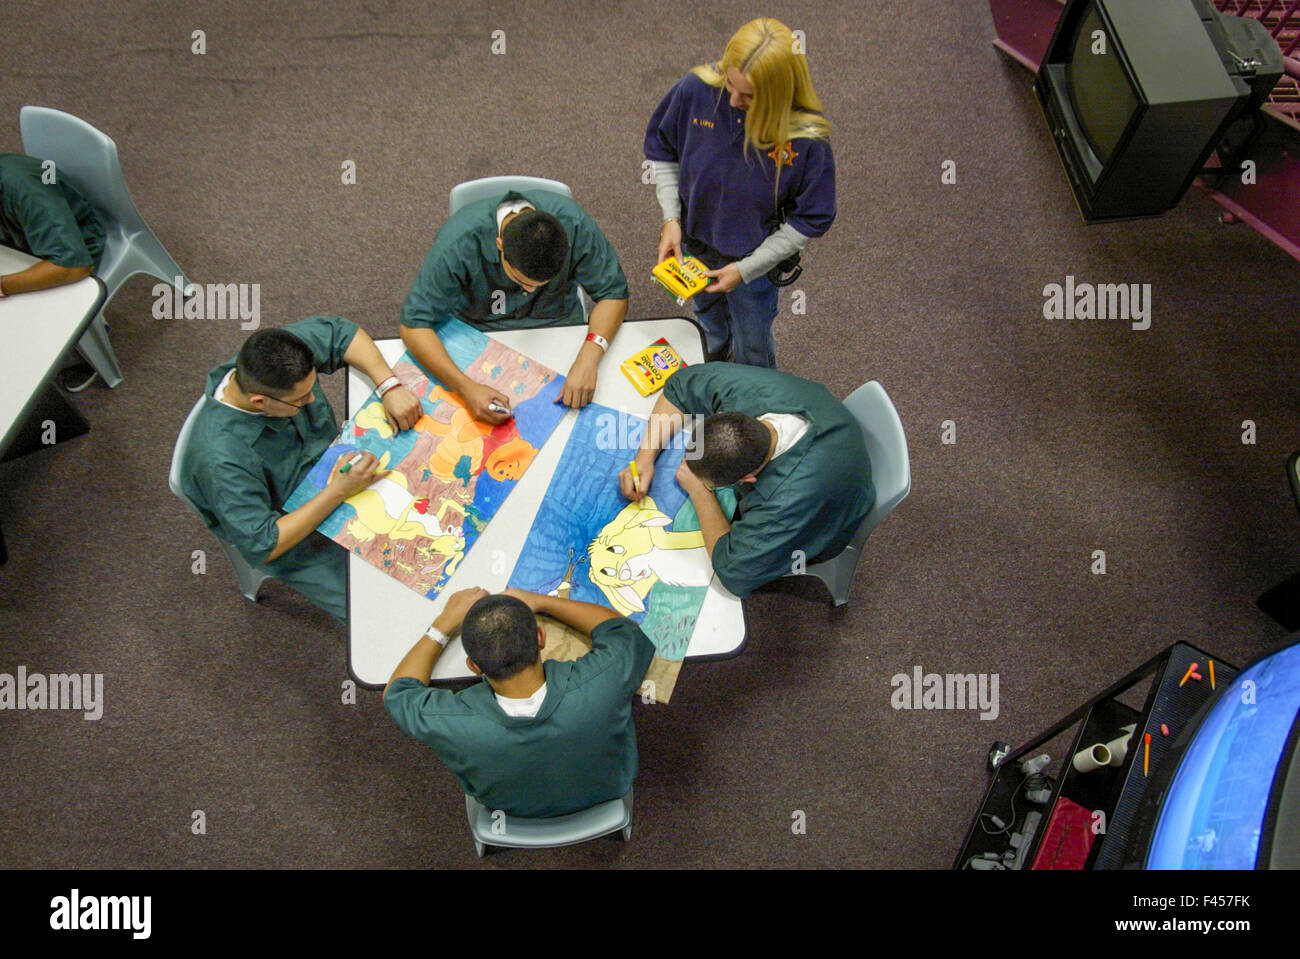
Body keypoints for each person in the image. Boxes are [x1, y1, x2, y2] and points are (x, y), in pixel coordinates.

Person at [180, 317, 422, 620]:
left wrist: (389, 386)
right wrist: (338, 492)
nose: (311, 399)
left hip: (337, 471)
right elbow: (264, 545)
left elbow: (344, 334)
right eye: (300, 400)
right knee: (388, 612)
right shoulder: (220, 460)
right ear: (259, 402)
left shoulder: (279, 355)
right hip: (294, 531)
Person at [644, 18, 836, 369]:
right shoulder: (694, 89)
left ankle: (752, 391)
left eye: (748, 95)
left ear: (779, 96)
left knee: (753, 342)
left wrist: (746, 270)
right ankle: (714, 359)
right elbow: (664, 151)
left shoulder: (807, 140)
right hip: (695, 243)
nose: (732, 100)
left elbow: (811, 218)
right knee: (707, 319)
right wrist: (671, 219)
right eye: (729, 84)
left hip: (754, 258)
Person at [384, 586, 656, 819]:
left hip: (510, 809)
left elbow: (398, 693)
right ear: (540, 638)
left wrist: (443, 624)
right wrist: (543, 601)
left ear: (474, 666)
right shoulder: (601, 681)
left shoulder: (450, 721)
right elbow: (622, 631)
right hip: (608, 787)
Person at [618, 362, 873, 598]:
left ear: (748, 478)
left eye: (711, 484)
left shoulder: (783, 501)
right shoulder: (747, 394)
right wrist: (644, 458)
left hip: (837, 507)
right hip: (841, 431)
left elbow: (734, 574)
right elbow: (679, 385)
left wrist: (699, 491)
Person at [400, 189, 629, 424]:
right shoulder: (458, 241)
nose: (530, 291)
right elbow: (413, 324)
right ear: (499, 245)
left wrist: (589, 358)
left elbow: (613, 292)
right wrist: (465, 388)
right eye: (521, 281)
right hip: (481, 329)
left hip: (555, 326)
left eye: (541, 285)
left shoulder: (575, 225)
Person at [0, 152, 109, 389]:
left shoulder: (23, 189)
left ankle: (88, 339)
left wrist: (3, 286)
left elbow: (73, 266)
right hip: (21, 245)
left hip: (73, 252)